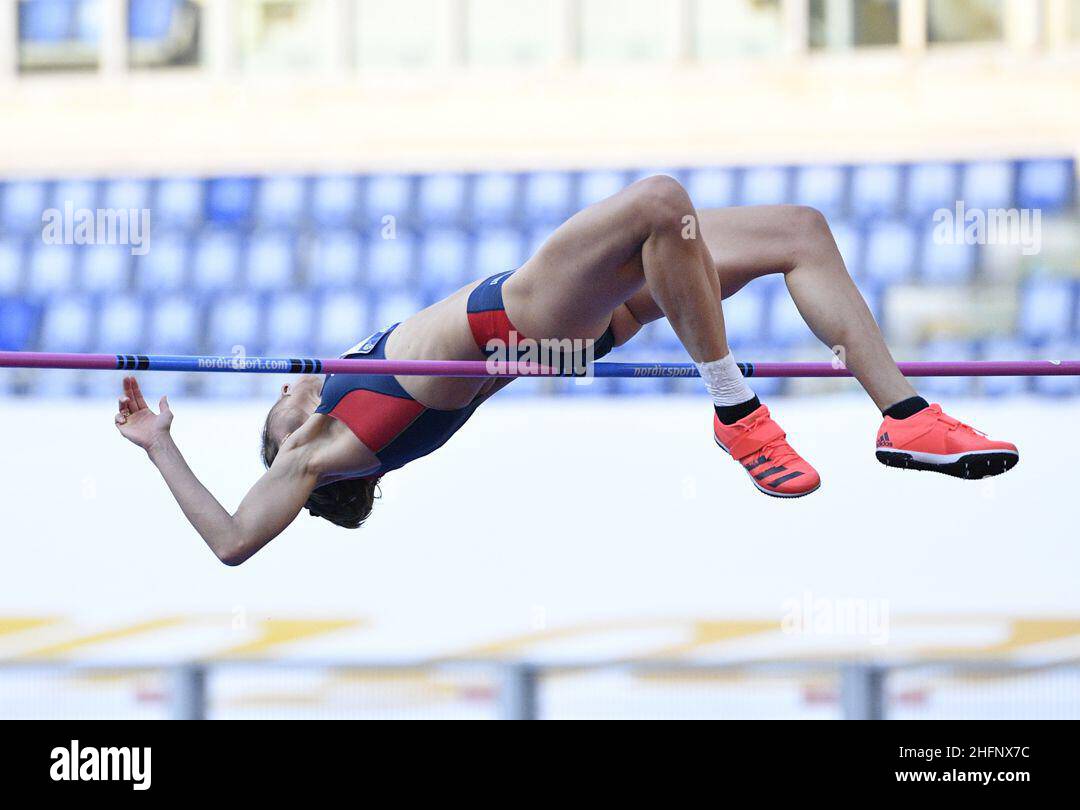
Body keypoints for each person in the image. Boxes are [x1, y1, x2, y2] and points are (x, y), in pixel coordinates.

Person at [115, 176, 1018, 564]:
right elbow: (233, 541)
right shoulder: (323, 449)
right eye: (276, 413)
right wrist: (159, 445)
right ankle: (736, 412)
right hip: (530, 311)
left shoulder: (347, 395)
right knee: (660, 201)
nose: (283, 392)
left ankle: (907, 416)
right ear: (289, 446)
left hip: (575, 324)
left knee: (800, 231)